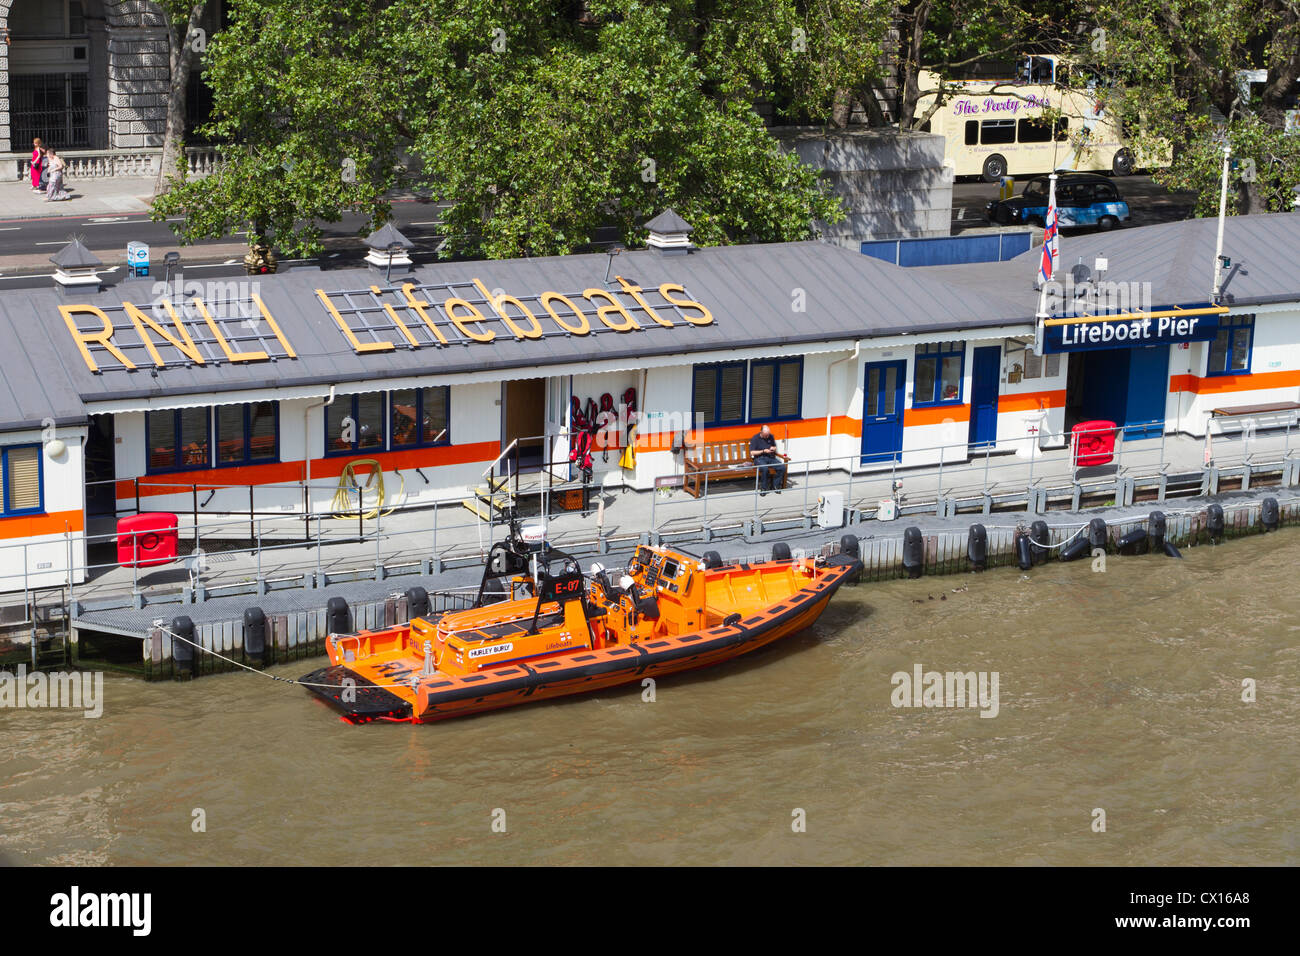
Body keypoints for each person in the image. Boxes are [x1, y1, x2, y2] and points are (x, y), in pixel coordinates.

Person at [749, 424, 789, 494]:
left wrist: (773, 448)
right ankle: (764, 488)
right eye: (765, 435)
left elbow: (774, 446)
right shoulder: (755, 438)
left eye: (768, 435)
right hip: (759, 458)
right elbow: (752, 453)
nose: (767, 436)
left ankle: (775, 485)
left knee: (782, 467)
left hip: (770, 457)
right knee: (765, 469)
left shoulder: (771, 436)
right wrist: (763, 451)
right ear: (761, 432)